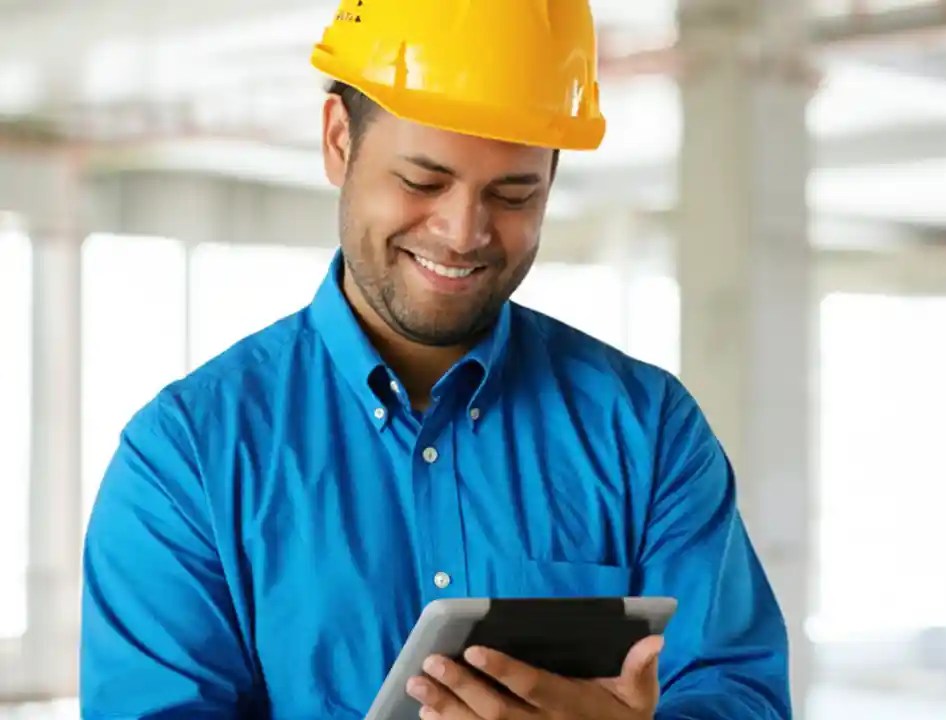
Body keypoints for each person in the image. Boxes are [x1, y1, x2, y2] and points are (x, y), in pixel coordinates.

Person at [79, 1, 791, 718]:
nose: (462, 232)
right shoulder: (188, 457)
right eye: (422, 182)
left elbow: (738, 691)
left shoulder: (645, 431)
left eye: (513, 194)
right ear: (338, 141)